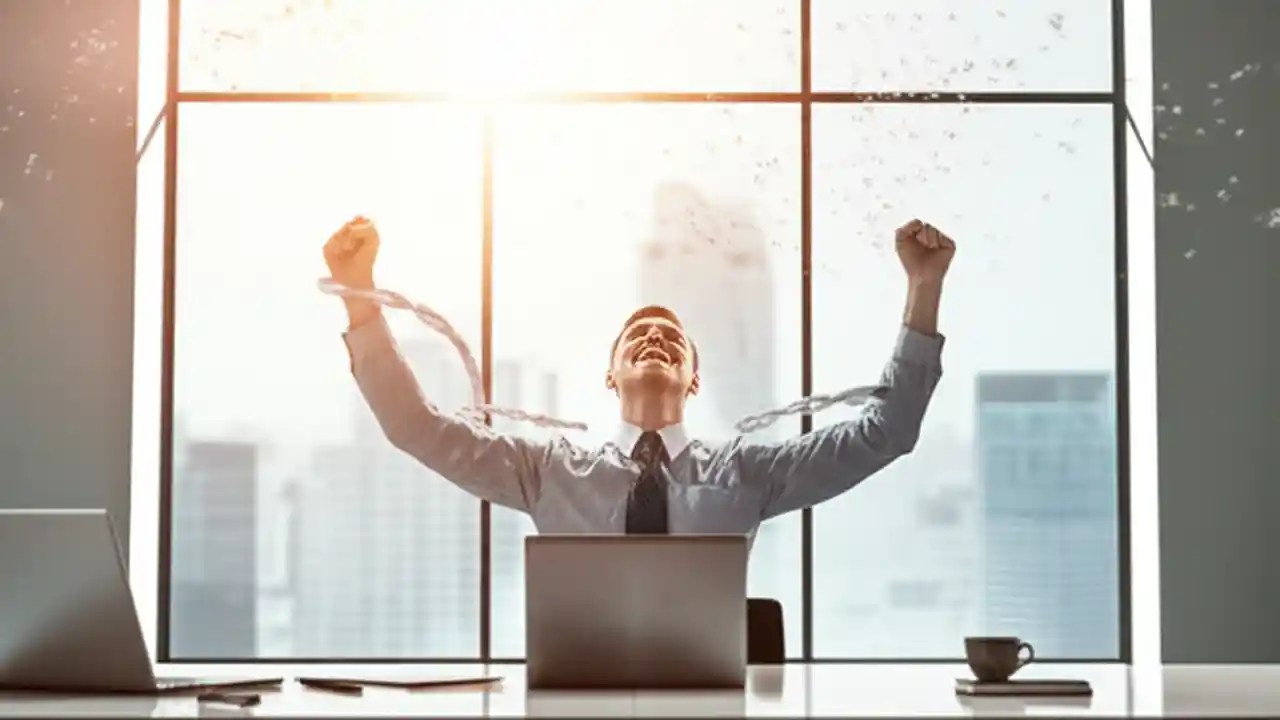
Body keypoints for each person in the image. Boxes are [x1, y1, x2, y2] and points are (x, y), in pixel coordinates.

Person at [322, 215, 954, 535]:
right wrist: (358, 296)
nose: (655, 336)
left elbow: (886, 433)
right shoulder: (547, 470)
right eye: (638, 335)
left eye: (673, 337)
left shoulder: (748, 473)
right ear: (610, 375)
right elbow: (413, 427)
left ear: (694, 380)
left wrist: (923, 290)